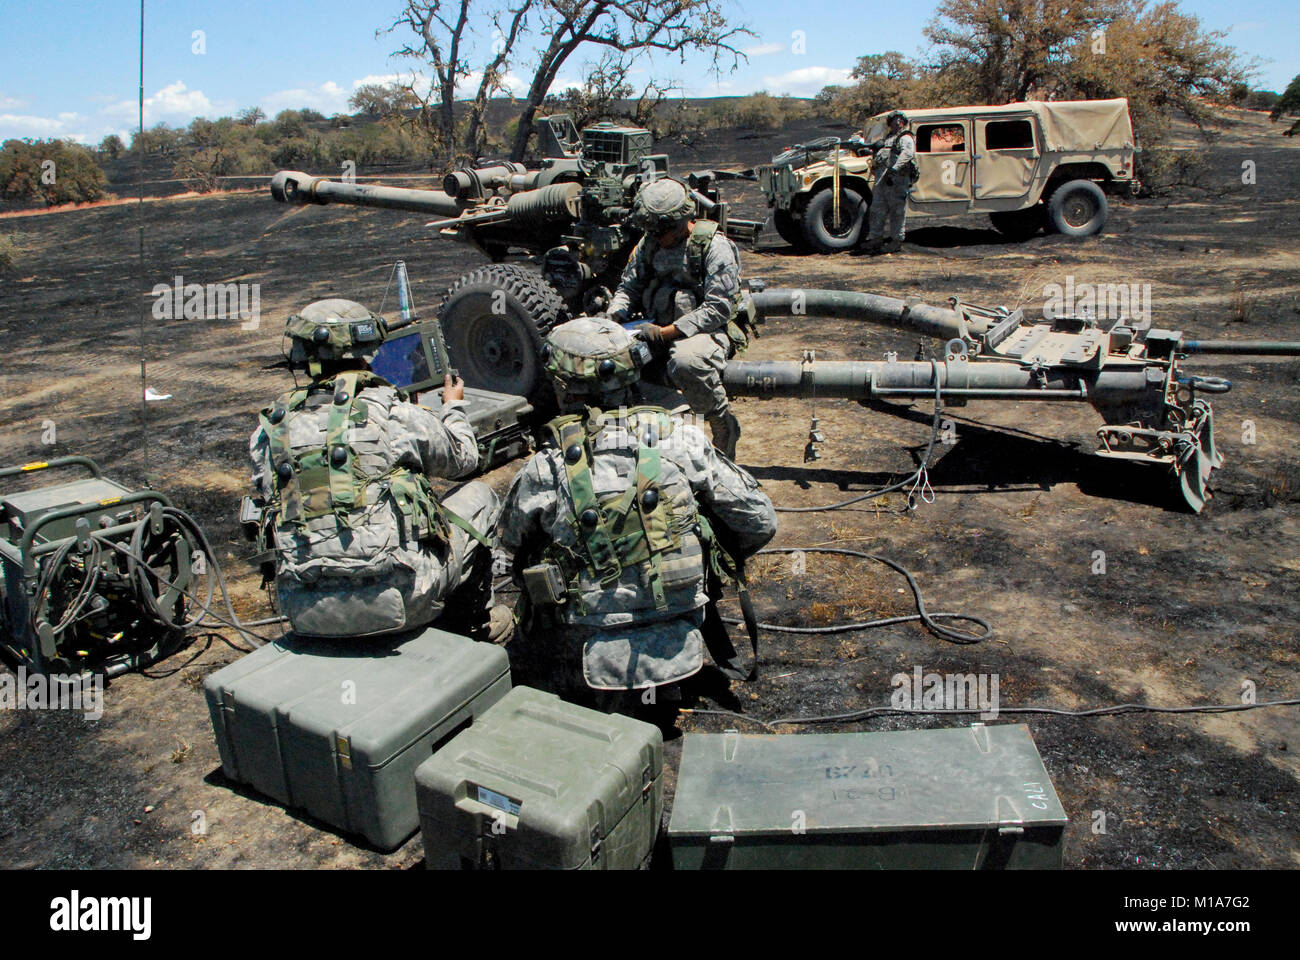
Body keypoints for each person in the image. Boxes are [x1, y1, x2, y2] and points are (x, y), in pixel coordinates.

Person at [496, 316, 777, 708]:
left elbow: (508, 551)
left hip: (581, 650)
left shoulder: (545, 467)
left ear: (564, 387)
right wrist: (702, 551)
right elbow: (760, 521)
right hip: (679, 635)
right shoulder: (682, 440)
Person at [248, 298, 505, 641]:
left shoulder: (269, 432)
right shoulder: (393, 414)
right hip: (403, 600)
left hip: (304, 610)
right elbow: (464, 460)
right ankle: (471, 625)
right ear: (368, 351)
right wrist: (452, 408)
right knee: (481, 497)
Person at [607, 176, 751, 459]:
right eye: (652, 231)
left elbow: (717, 308)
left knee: (686, 363)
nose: (657, 238)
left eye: (662, 231)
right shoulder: (649, 244)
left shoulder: (714, 247)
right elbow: (628, 286)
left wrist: (668, 333)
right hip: (650, 326)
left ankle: (722, 423)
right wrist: (617, 313)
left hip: (703, 331)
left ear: (682, 222)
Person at [861, 111, 918, 255]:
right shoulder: (888, 139)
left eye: (900, 120)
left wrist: (895, 168)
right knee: (876, 210)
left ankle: (896, 242)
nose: (897, 122)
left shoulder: (905, 138)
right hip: (882, 180)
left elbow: (907, 154)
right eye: (894, 119)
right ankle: (875, 239)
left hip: (897, 180)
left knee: (897, 212)